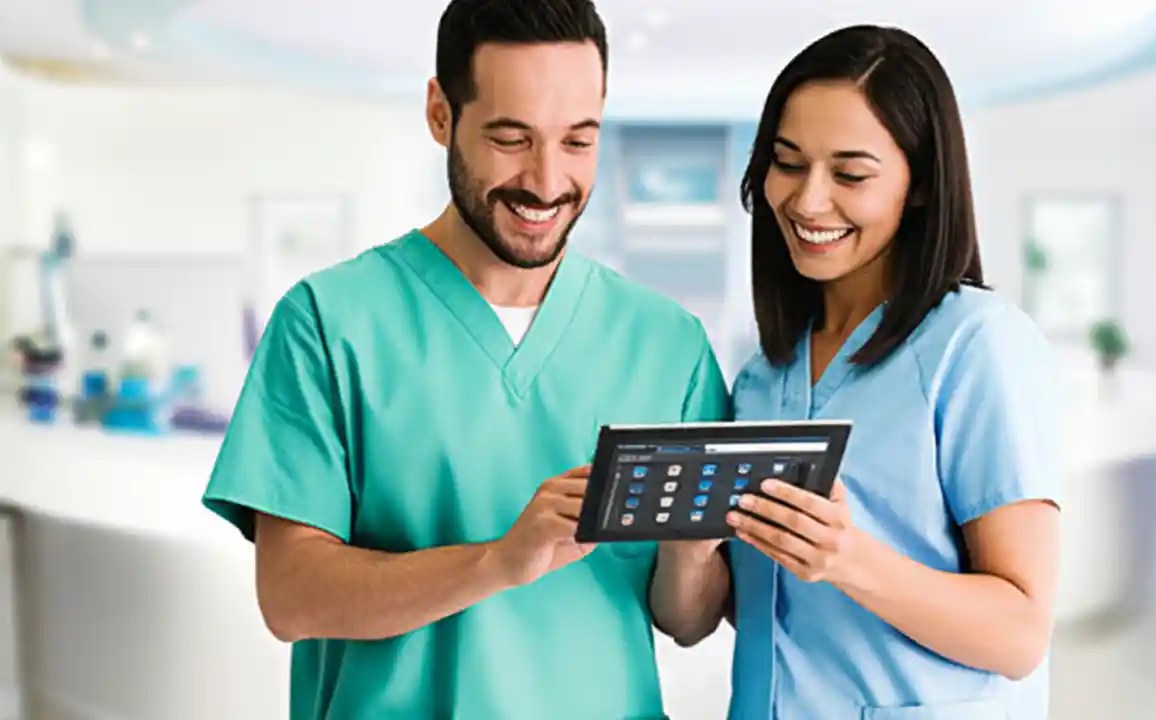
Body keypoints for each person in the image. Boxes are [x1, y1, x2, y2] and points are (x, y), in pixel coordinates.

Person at [201, 1, 729, 717]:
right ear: (440, 114)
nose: (546, 182)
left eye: (578, 142)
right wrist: (497, 563)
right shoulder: (331, 323)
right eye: (512, 139)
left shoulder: (667, 345)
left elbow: (688, 620)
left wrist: (692, 553)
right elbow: (291, 598)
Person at [650, 25, 1062, 720]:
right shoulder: (761, 377)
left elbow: (1021, 634)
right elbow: (698, 621)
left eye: (850, 174)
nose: (808, 202)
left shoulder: (978, 346)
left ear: (922, 186)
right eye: (787, 162)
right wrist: (688, 548)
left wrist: (848, 559)